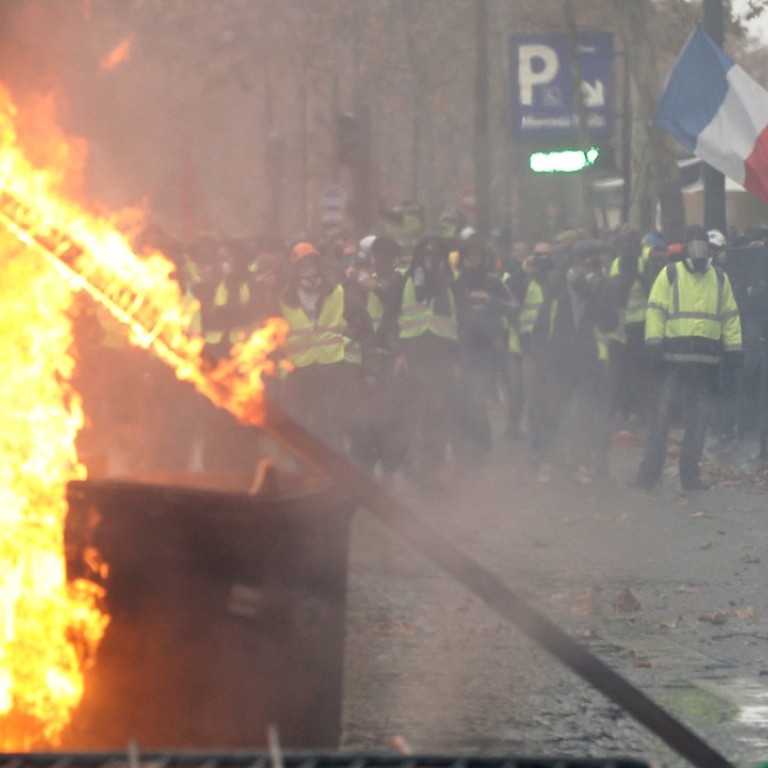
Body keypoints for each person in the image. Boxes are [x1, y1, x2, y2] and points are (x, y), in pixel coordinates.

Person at [632, 225, 743, 492]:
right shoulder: (670, 274)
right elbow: (656, 310)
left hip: (705, 364)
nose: (699, 252)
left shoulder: (719, 278)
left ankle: (690, 477)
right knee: (661, 421)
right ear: (686, 249)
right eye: (695, 246)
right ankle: (649, 475)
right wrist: (654, 346)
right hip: (673, 361)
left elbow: (730, 316)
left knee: (697, 424)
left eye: (702, 247)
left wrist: (734, 349)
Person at [272, 241, 373, 451]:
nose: (311, 274)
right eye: (304, 268)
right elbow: (272, 337)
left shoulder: (337, 293)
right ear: (295, 272)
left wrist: (346, 341)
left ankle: (332, 471)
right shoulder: (284, 299)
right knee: (299, 426)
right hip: (298, 372)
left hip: (332, 369)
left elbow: (362, 321)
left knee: (331, 425)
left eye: (314, 267)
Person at [392, 235, 459, 488]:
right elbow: (392, 318)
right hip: (411, 357)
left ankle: (433, 469)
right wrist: (398, 353)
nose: (431, 259)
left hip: (442, 357)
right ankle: (406, 464)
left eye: (436, 254)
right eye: (426, 253)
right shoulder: (404, 281)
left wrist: (457, 359)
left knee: (437, 413)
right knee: (408, 414)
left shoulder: (452, 283)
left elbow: (461, 323)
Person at [453, 234, 517, 468]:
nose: (473, 262)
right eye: (469, 257)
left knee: (477, 399)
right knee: (461, 400)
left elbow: (513, 308)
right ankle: (466, 444)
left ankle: (482, 446)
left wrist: (491, 300)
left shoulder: (493, 282)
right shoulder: (457, 282)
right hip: (461, 350)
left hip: (484, 351)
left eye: (477, 257)